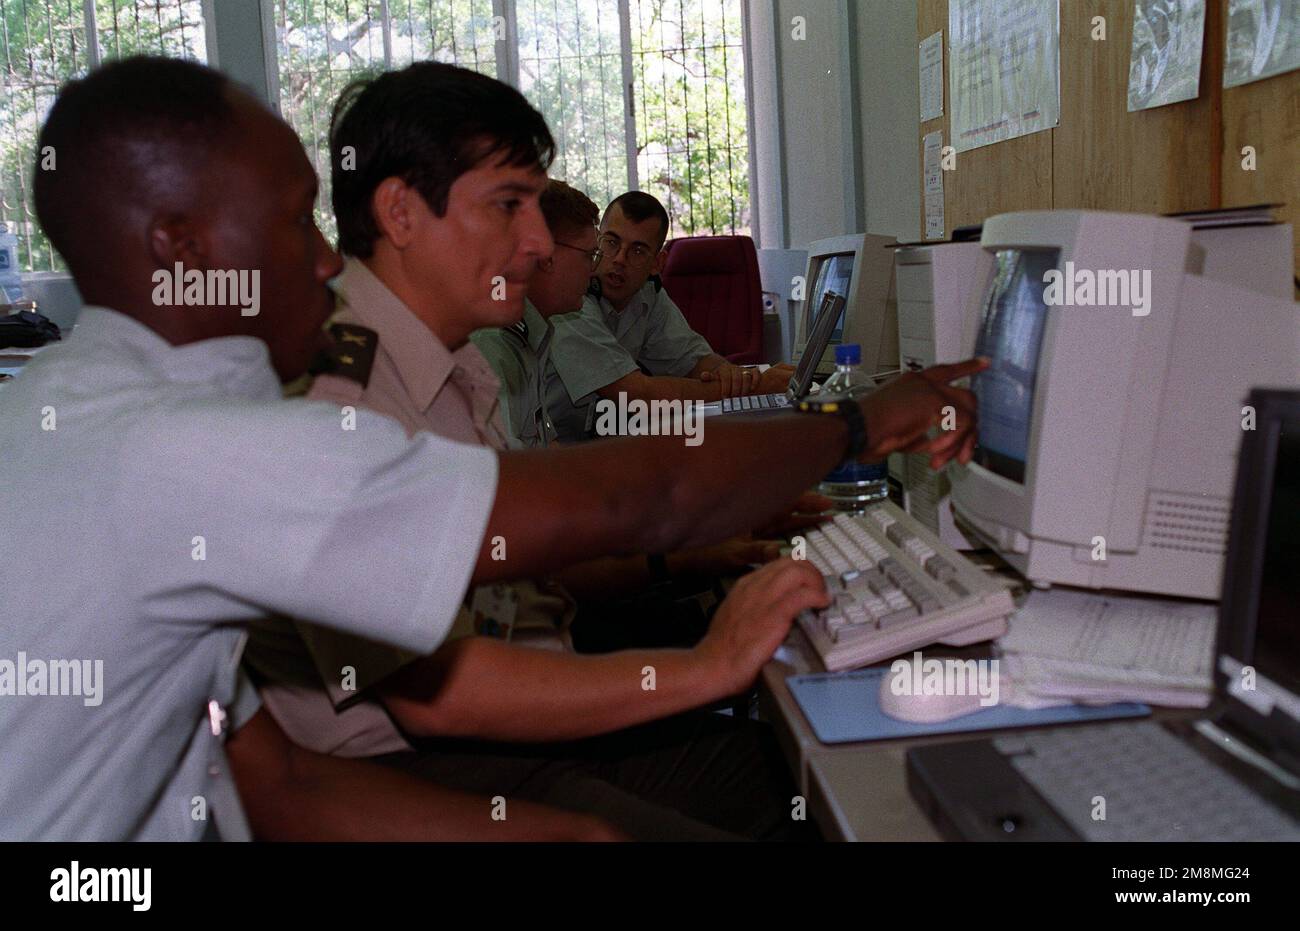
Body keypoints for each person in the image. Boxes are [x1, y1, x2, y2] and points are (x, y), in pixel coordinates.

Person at [0, 55, 984, 841]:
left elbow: (279, 783)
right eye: (291, 217)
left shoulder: (86, 411)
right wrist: (851, 428)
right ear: (180, 249)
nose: (322, 255)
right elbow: (644, 495)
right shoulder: (192, 447)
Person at [246, 65, 815, 841]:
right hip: (428, 772)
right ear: (401, 212)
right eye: (509, 206)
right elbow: (436, 692)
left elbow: (521, 568)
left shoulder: (455, 361)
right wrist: (712, 662)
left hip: (510, 732)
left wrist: (694, 553)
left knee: (797, 775)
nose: (541, 243)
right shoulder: (342, 394)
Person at [544, 190, 794, 441]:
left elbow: (693, 360)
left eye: (638, 251)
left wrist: (733, 376)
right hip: (549, 449)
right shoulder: (572, 301)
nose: (619, 259)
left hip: (599, 437)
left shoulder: (648, 293)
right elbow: (634, 394)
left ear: (657, 263)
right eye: (611, 242)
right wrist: (751, 389)